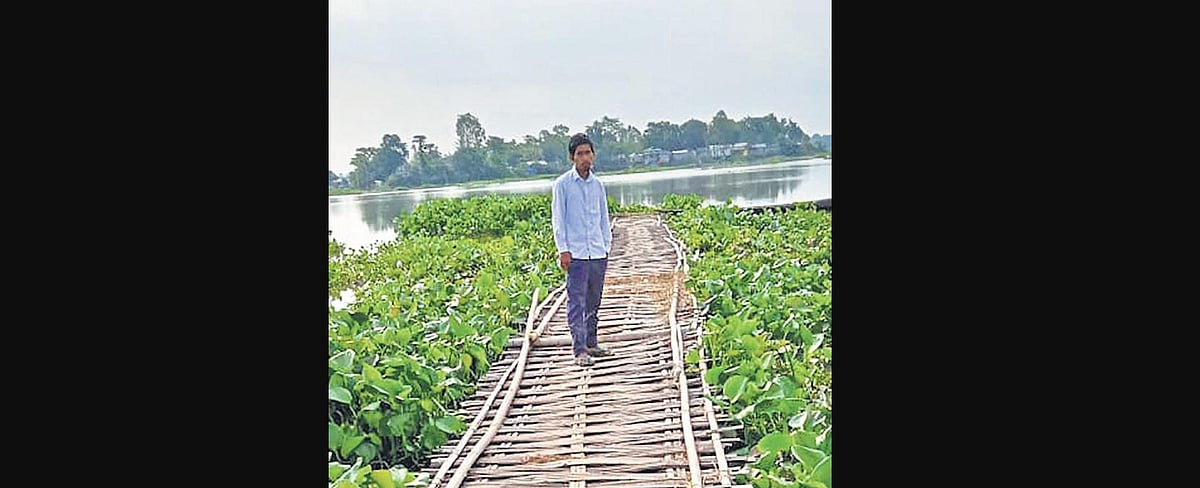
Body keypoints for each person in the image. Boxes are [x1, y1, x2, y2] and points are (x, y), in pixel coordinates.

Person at [551, 133, 614, 367]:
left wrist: (606, 246)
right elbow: (558, 220)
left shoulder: (598, 185)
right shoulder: (563, 185)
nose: (585, 158)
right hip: (575, 254)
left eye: (588, 153)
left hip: (597, 252)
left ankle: (591, 343)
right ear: (572, 157)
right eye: (580, 154)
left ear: (593, 155)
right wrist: (563, 250)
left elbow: (603, 218)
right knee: (576, 302)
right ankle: (579, 350)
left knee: (593, 301)